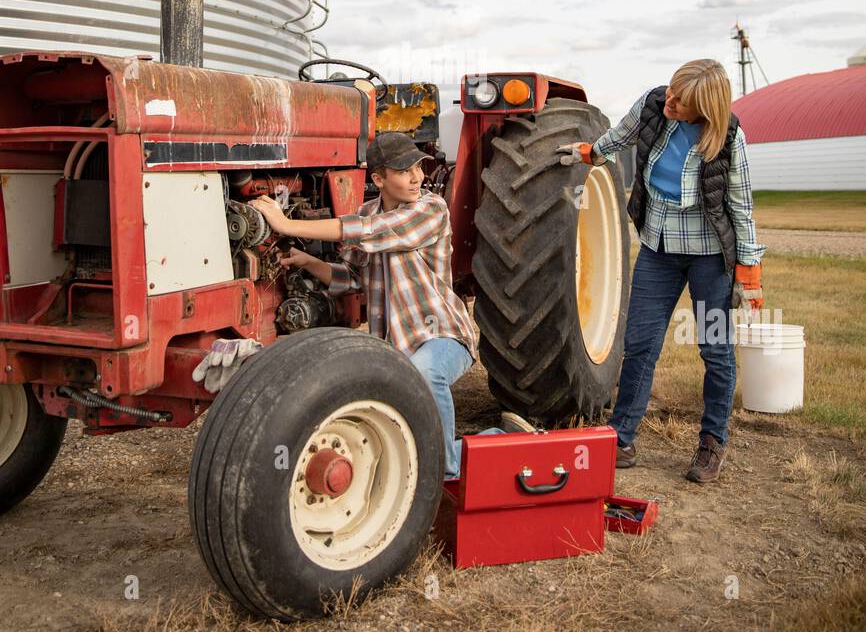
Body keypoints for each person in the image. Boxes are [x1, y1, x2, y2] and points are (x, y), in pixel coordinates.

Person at [249, 131, 534, 481]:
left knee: (426, 375)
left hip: (441, 334)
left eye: (418, 167)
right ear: (379, 179)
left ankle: (445, 469)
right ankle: (508, 442)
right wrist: (308, 261)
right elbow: (354, 277)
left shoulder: (430, 209)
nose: (417, 177)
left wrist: (287, 223)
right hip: (395, 346)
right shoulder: (366, 212)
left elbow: (370, 231)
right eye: (404, 171)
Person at [558, 58, 765, 484]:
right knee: (640, 345)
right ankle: (622, 437)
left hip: (710, 259)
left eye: (680, 100)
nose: (669, 101)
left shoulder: (728, 137)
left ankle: (712, 442)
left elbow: (742, 208)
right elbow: (621, 135)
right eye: (670, 91)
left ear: (705, 107)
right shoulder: (655, 104)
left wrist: (749, 273)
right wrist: (590, 152)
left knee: (714, 349)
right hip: (658, 250)